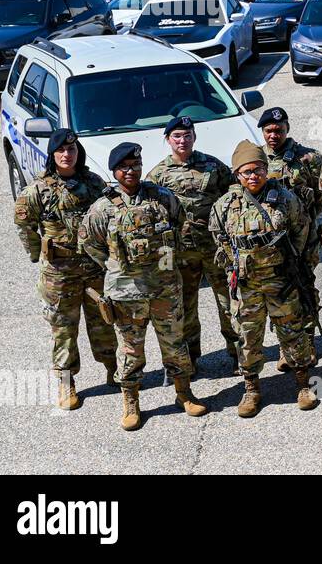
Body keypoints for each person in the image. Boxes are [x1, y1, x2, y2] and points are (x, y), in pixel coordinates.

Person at [79, 143, 206, 430]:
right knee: (131, 349)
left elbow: (181, 224)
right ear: (114, 171)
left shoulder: (161, 198)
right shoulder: (103, 208)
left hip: (164, 286)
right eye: (124, 167)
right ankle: (131, 401)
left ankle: (183, 393)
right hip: (127, 292)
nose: (131, 171)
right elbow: (89, 242)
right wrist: (115, 266)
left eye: (135, 165)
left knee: (174, 343)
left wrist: (167, 262)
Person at [210, 141, 318, 418]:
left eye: (258, 169)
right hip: (246, 284)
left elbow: (301, 230)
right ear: (237, 175)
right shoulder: (225, 206)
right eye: (246, 172)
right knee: (248, 337)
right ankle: (251, 388)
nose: (253, 176)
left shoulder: (285, 198)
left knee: (292, 332)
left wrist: (294, 264)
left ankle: (304, 384)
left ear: (266, 169)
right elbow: (219, 237)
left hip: (280, 280)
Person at [14, 129, 116, 410]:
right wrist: (38, 254)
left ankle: (113, 369)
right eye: (61, 151)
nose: (67, 155)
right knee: (63, 328)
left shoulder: (93, 182)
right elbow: (24, 224)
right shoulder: (38, 189)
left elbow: (110, 215)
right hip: (59, 271)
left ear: (77, 153)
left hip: (93, 267)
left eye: (71, 151)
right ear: (53, 155)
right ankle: (66, 383)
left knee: (104, 320)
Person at [146, 116, 240, 373]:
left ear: (194, 137)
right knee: (185, 305)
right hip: (180, 251)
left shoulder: (211, 165)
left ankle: (238, 354)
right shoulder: (158, 175)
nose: (183, 141)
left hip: (214, 247)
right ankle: (191, 358)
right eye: (177, 136)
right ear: (168, 140)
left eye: (187, 135)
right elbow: (149, 211)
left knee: (228, 300)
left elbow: (233, 193)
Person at [258, 108, 322, 368]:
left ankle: (307, 344)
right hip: (270, 245)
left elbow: (321, 200)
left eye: (278, 129)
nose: (274, 135)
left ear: (287, 128)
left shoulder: (308, 158)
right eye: (268, 131)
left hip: (303, 241)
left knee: (304, 288)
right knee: (278, 295)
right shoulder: (256, 159)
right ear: (262, 132)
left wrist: (307, 228)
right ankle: (286, 348)